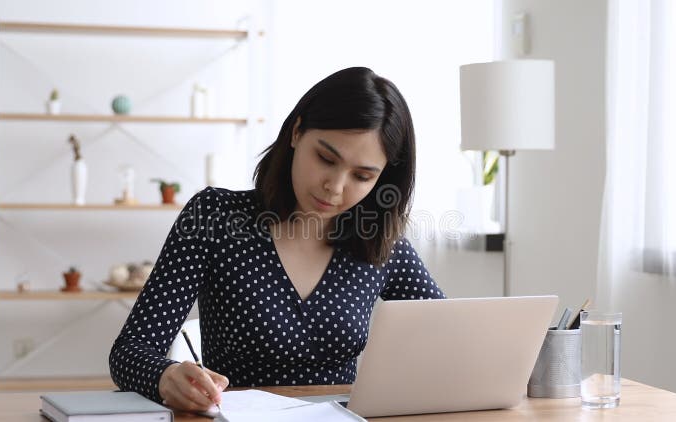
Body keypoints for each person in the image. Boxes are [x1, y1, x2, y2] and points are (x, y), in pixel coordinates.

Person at [109, 67, 446, 412]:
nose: (336, 186)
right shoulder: (214, 216)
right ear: (297, 132)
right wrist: (166, 376)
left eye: (362, 176)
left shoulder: (379, 238)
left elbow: (450, 334)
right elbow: (130, 351)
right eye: (326, 159)